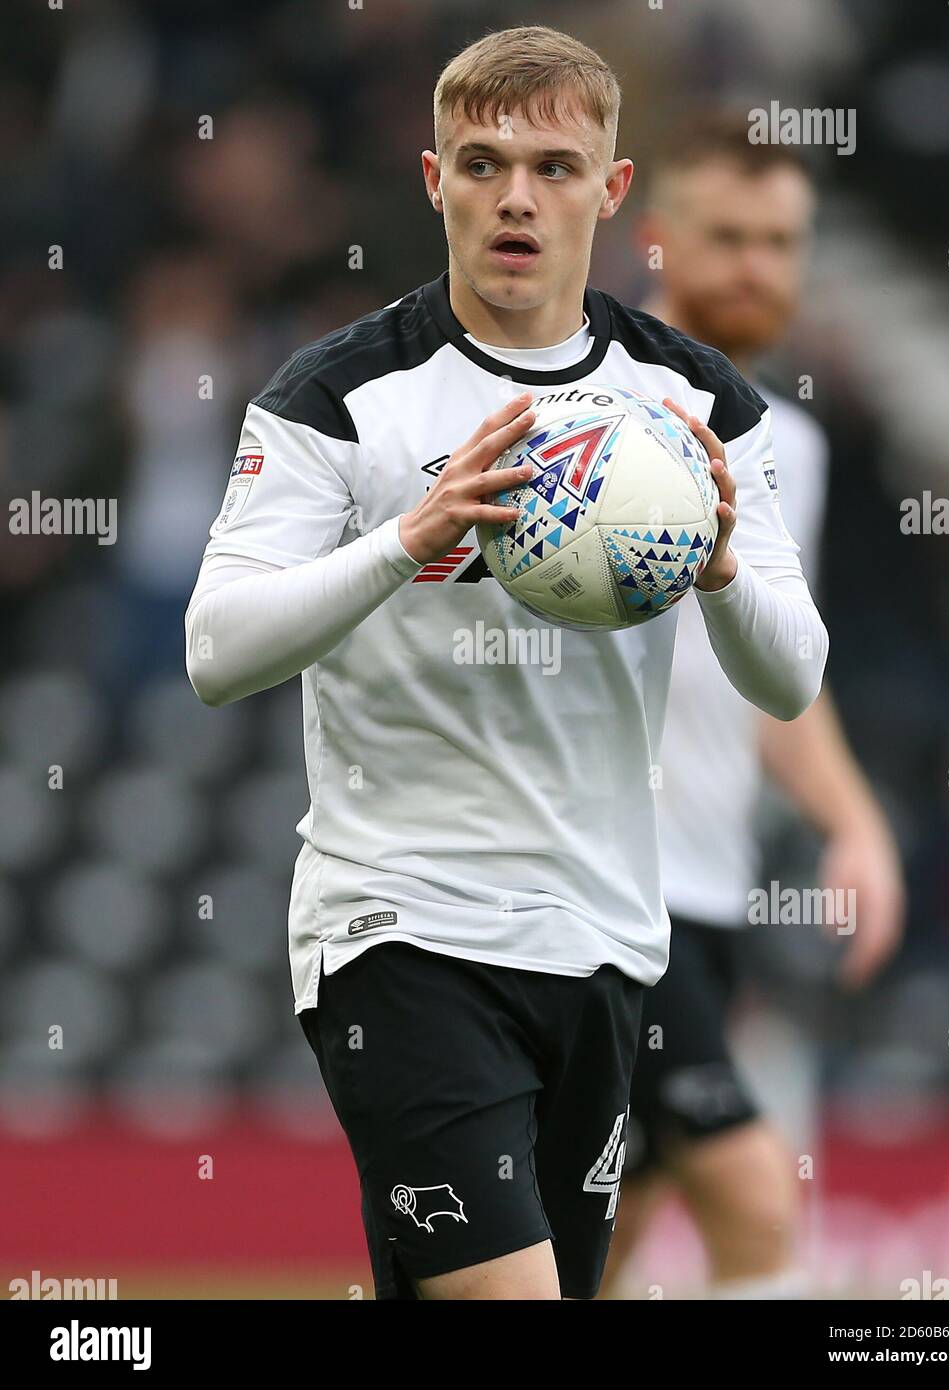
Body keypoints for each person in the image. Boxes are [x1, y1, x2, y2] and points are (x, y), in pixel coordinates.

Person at [183, 28, 828, 1301]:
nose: (515, 197)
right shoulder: (340, 396)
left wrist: (714, 570)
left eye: (553, 167)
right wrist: (407, 540)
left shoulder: (695, 404)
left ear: (612, 188)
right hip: (400, 924)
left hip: (602, 935)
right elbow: (216, 650)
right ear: (435, 181)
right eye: (481, 164)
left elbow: (790, 676)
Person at [601, 112, 905, 1299]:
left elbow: (775, 679)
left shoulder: (793, 449)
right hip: (601, 888)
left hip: (708, 890)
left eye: (779, 243)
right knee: (753, 1201)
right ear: (656, 237)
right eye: (725, 237)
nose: (755, 268)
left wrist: (851, 820)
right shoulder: (580, 410)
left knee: (603, 1243)